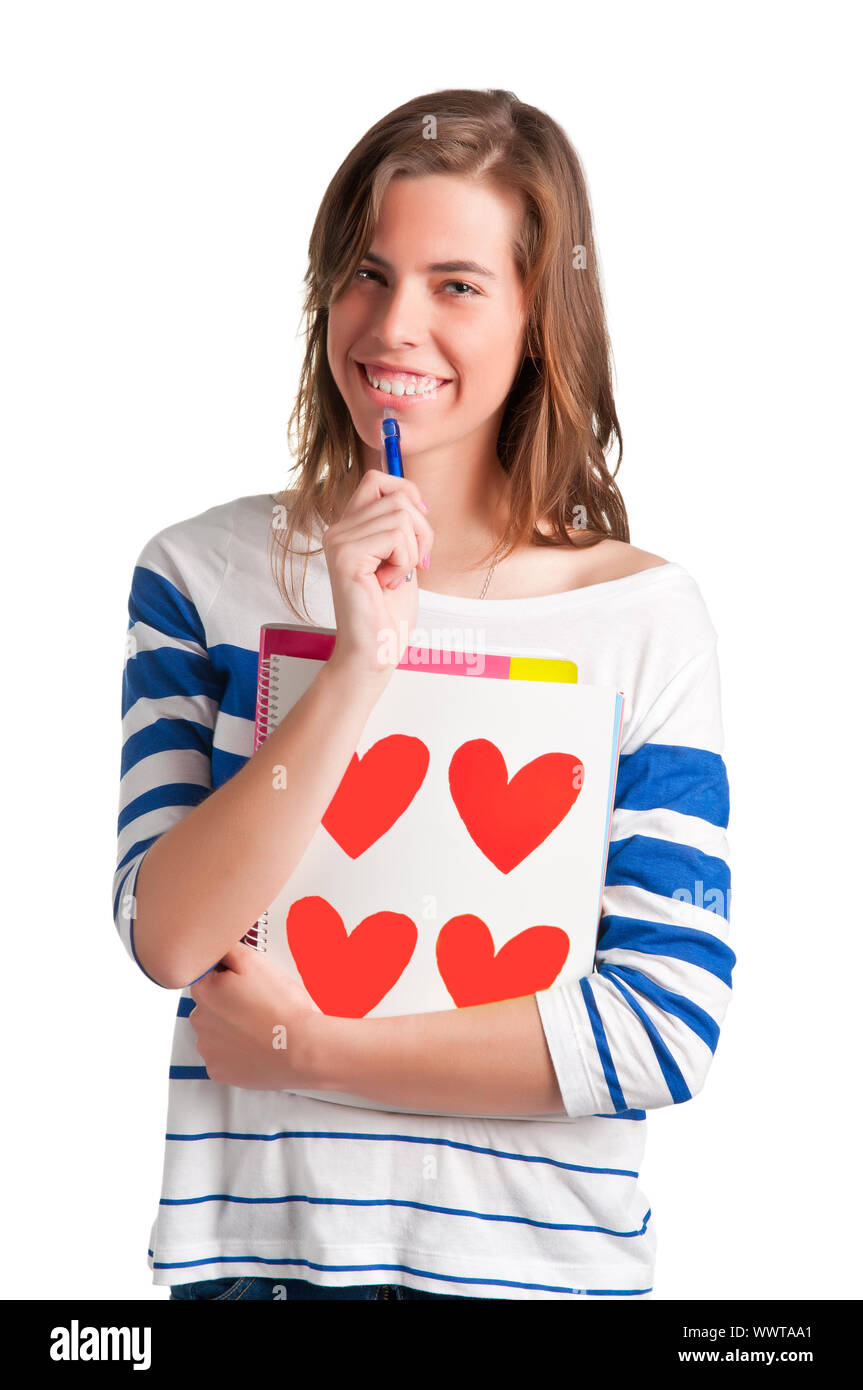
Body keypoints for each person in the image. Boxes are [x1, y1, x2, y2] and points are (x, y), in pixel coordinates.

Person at [112, 88, 734, 1302]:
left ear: (538, 323)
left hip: (538, 1276)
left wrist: (310, 1050)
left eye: (455, 283)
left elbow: (663, 1025)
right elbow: (169, 934)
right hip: (255, 1272)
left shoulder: (643, 620)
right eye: (364, 272)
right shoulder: (196, 575)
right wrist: (354, 666)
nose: (393, 325)